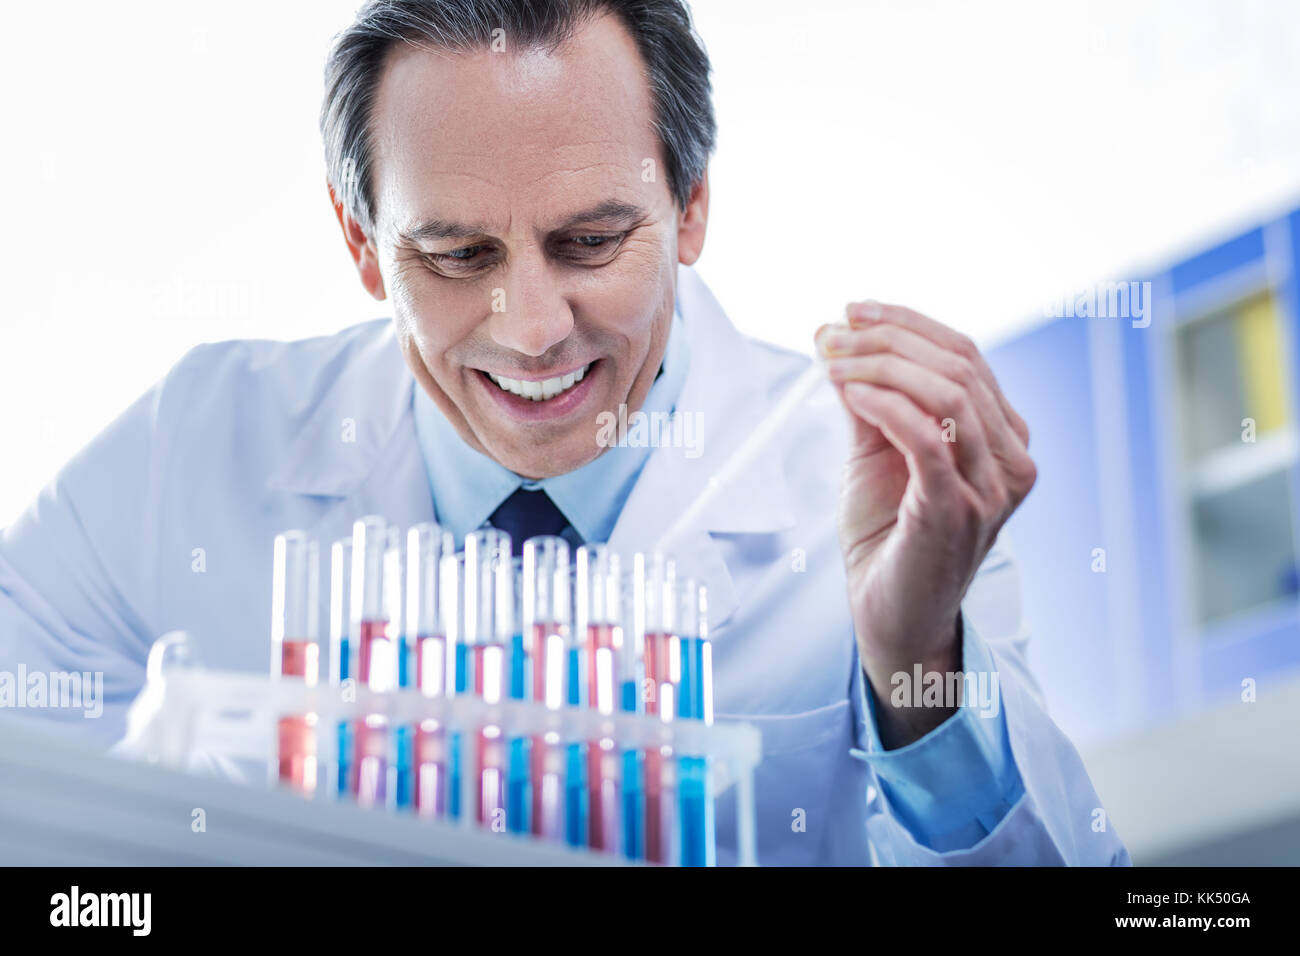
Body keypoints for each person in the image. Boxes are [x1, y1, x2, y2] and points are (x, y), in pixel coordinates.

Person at [0, 0, 1128, 865]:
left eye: (590, 242)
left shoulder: (878, 483)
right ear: (359, 244)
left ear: (690, 208)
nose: (533, 331)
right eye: (455, 256)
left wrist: (914, 668)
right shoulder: (192, 452)